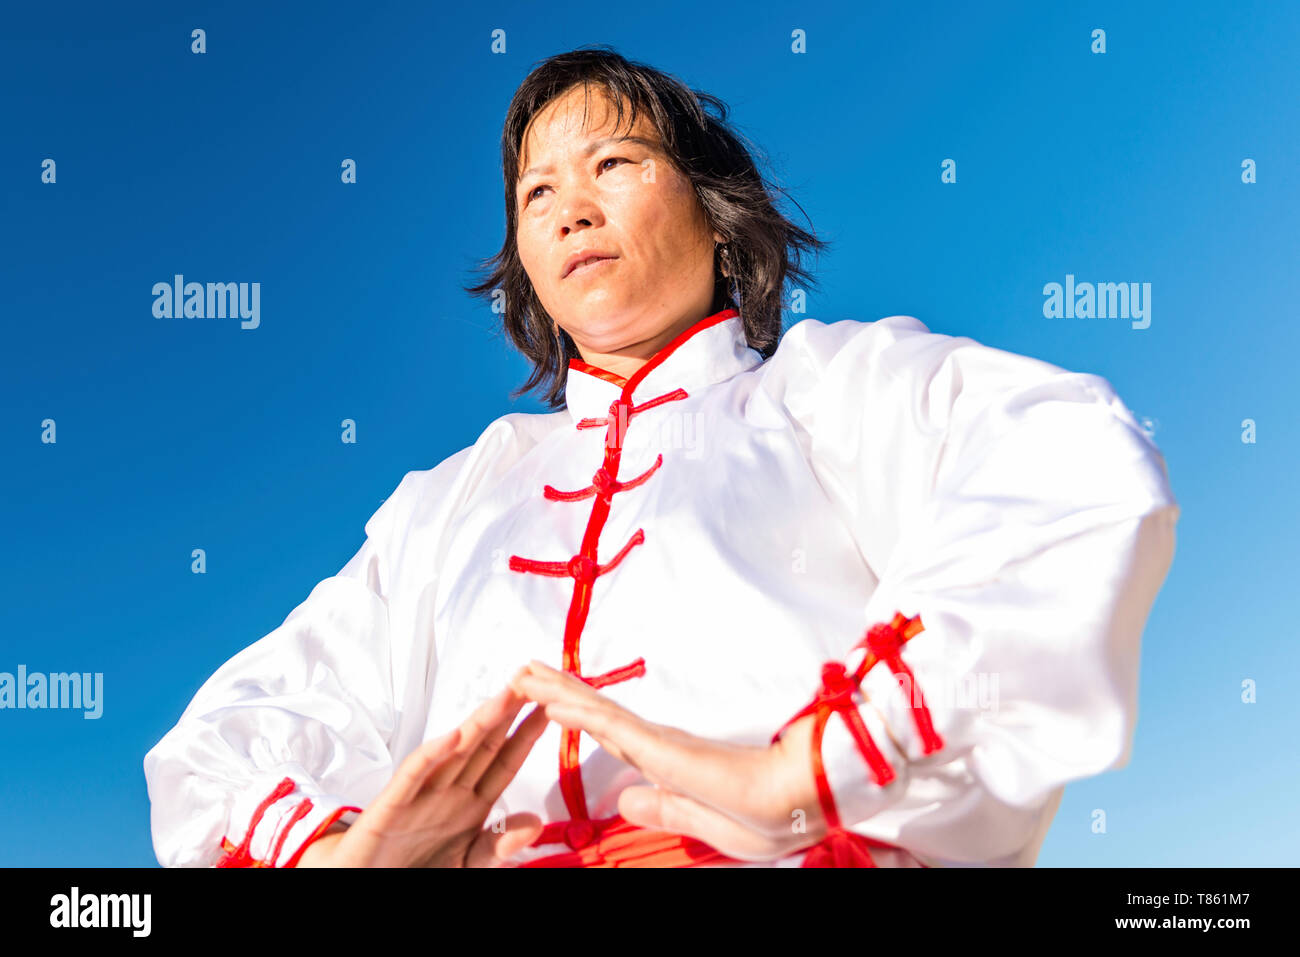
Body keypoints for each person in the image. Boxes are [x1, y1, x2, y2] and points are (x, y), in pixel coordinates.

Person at [142, 47, 1180, 868]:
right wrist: (339, 855)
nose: (571, 209)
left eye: (615, 165)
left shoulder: (831, 389)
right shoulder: (452, 497)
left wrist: (815, 767)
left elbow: (1067, 463)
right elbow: (244, 723)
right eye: (536, 194)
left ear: (714, 210)